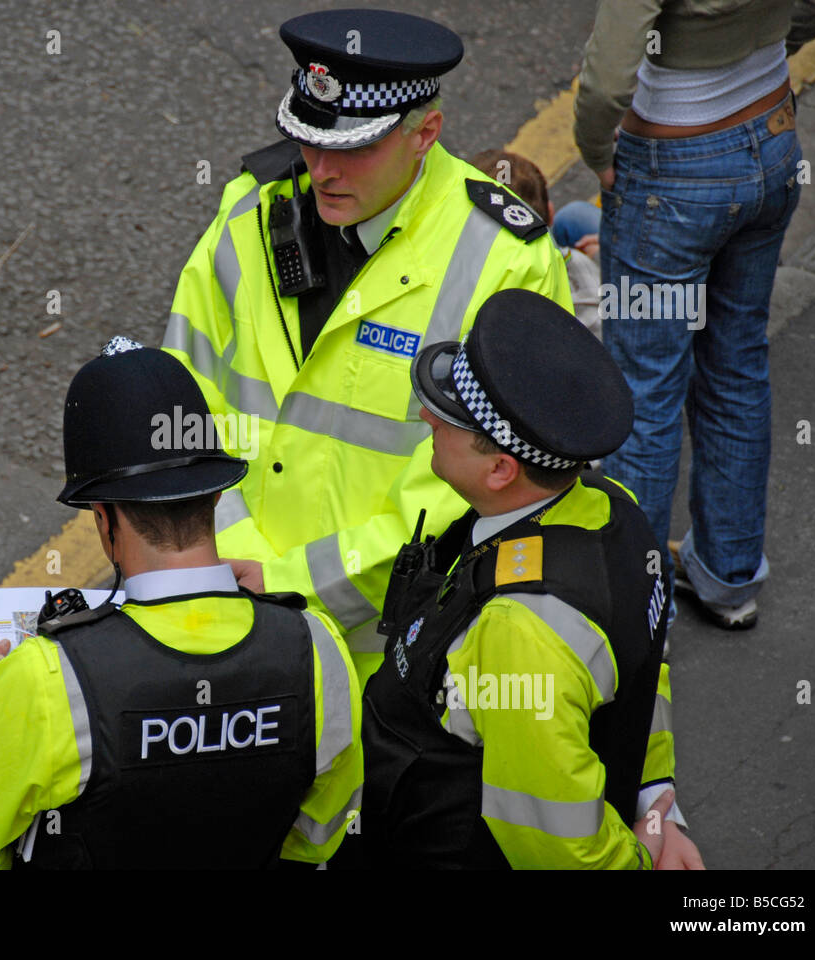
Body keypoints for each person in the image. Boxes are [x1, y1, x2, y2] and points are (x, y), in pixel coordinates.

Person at [163, 8, 573, 690]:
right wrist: (232, 561)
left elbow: (471, 483)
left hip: (385, 658)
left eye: (353, 149)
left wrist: (288, 583)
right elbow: (181, 395)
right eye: (307, 140)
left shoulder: (505, 261)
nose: (321, 170)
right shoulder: (249, 209)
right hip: (227, 612)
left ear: (426, 133)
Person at [0, 339, 362, 869]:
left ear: (104, 519)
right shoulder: (317, 648)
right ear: (215, 495)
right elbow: (317, 836)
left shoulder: (45, 682)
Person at [362, 289, 703, 868]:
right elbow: (646, 676)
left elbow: (559, 846)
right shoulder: (614, 510)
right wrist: (656, 806)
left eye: (447, 418)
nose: (426, 416)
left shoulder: (522, 630)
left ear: (501, 469)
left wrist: (641, 859)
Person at [574, 0, 803, 629]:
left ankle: (640, 615)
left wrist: (596, 150)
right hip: (773, 133)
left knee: (644, 389)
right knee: (736, 361)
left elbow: (606, 82)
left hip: (673, 165)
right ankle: (730, 578)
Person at [468, 148, 603, 338]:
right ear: (550, 212)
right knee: (574, 216)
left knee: (574, 216)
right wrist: (606, 253)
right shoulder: (580, 272)